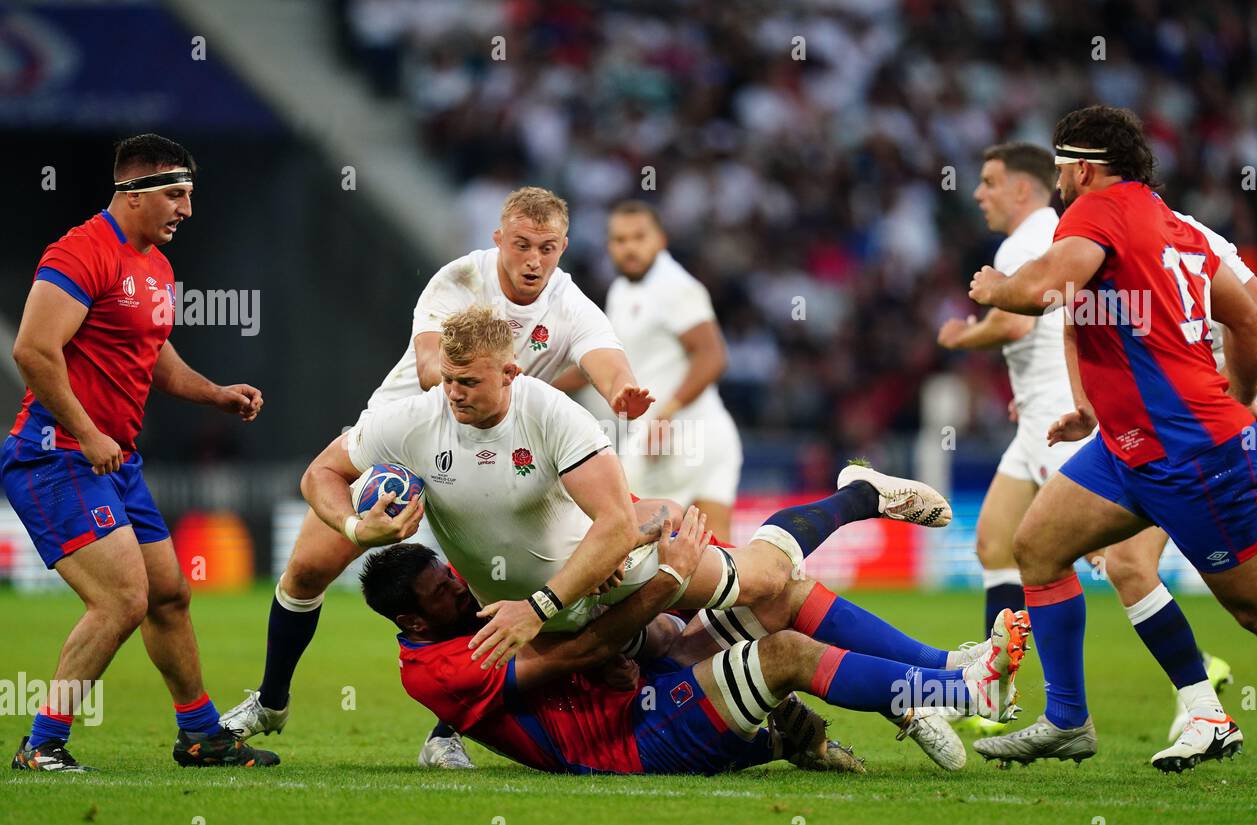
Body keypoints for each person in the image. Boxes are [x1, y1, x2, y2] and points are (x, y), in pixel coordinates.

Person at [304, 305, 970, 766]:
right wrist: (355, 526)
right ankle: (919, 689)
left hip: (610, 573)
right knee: (773, 631)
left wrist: (640, 580)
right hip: (590, 643)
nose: (454, 393)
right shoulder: (415, 422)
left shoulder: (549, 410)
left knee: (773, 587)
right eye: (447, 380)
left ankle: (877, 536)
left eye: (468, 382)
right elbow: (322, 472)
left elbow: (616, 522)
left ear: (511, 372)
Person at [221, 187, 653, 771]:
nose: (533, 260)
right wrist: (356, 520)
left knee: (488, 587)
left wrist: (620, 388)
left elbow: (605, 356)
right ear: (498, 238)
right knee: (305, 571)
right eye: (521, 244)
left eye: (547, 249)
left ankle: (447, 732)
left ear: (563, 248)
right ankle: (271, 702)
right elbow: (430, 367)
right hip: (405, 448)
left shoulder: (569, 302)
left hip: (503, 452)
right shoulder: (457, 282)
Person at [967, 105, 1257, 771]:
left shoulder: (1096, 212)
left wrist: (999, 286)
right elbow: (1249, 323)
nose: (1061, 183)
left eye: (1063, 169)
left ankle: (1200, 710)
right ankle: (1067, 719)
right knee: (1037, 546)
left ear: (1084, 168)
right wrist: (1100, 410)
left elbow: (1044, 289)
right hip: (1130, 447)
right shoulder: (1177, 229)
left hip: (1189, 452)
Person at [358, 508, 1028, 777]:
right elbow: (582, 653)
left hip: (641, 689)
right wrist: (671, 575)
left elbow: (598, 650)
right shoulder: (436, 668)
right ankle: (964, 692)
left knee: (779, 593)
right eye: (443, 591)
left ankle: (946, 668)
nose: (460, 586)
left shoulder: (473, 607)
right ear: (416, 622)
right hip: (626, 744)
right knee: (785, 654)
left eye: (451, 573)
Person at [4, 134, 277, 771]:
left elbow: (155, 355)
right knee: (122, 599)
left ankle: (201, 734)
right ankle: (42, 746)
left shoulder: (155, 264)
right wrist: (88, 432)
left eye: (190, 195)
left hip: (114, 462)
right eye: (175, 194)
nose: (186, 208)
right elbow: (32, 351)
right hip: (56, 456)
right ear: (132, 193)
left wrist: (215, 394)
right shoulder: (79, 252)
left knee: (168, 595)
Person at [1100, 210, 1257, 743]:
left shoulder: (1189, 235)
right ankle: (1203, 709)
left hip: (1227, 427)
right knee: (1126, 563)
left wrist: (1227, 403)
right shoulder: (1103, 245)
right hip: (1162, 436)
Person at [938, 143, 1091, 642]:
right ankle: (995, 688)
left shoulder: (1022, 243)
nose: (979, 193)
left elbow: (1014, 326)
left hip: (1056, 420)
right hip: (1038, 414)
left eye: (990, 182)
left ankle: (1195, 671)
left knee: (1115, 560)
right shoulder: (1056, 234)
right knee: (995, 542)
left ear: (1022, 188)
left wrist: (964, 335)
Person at [566, 200, 743, 541]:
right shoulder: (623, 290)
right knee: (722, 555)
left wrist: (665, 414)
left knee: (616, 530)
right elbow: (601, 363)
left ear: (660, 239)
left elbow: (712, 355)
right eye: (620, 240)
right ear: (609, 245)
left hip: (671, 438)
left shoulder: (674, 286)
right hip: (709, 434)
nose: (629, 247)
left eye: (639, 237)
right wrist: (535, 379)